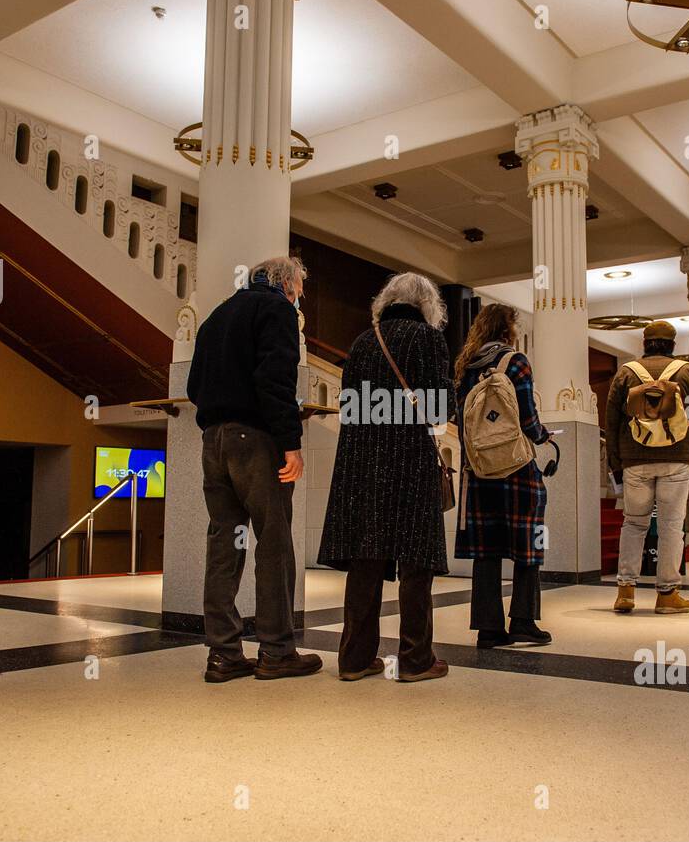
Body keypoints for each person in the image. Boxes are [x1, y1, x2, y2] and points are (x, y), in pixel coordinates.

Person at [188, 255, 321, 682]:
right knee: (274, 541)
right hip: (256, 442)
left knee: (224, 545)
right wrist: (290, 445)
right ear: (285, 284)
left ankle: (223, 654)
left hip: (214, 441)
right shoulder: (277, 310)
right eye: (299, 288)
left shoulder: (216, 316)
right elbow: (274, 382)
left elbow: (194, 386)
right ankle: (277, 650)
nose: (300, 297)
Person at [318, 273, 453, 682]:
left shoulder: (362, 343)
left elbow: (348, 405)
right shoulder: (428, 339)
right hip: (410, 461)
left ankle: (355, 660)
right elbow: (441, 407)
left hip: (363, 464)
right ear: (427, 305)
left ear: (387, 301)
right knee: (416, 562)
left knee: (367, 559)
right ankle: (415, 660)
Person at [452, 303, 552, 648]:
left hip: (478, 471)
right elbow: (528, 418)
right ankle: (523, 620)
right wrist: (544, 435)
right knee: (530, 543)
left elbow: (460, 420)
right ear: (508, 330)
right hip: (516, 470)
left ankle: (488, 628)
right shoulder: (516, 362)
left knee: (487, 550)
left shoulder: (465, 366)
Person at [605, 320, 689, 613]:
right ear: (672, 345)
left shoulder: (626, 373)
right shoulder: (688, 372)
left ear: (645, 344)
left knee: (633, 523)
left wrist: (617, 462)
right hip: (676, 460)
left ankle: (625, 591)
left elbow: (612, 421)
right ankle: (667, 595)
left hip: (634, 460)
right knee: (671, 526)